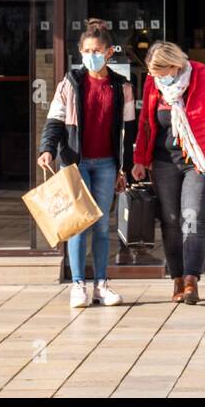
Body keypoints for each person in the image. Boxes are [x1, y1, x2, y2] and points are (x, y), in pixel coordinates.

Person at [38, 20, 135, 309]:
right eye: (86, 50)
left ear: (108, 53)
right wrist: (47, 150)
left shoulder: (122, 86)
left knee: (103, 226)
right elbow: (55, 120)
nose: (91, 54)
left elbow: (129, 130)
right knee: (79, 224)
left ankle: (101, 285)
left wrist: (125, 169)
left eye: (97, 50)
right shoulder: (71, 82)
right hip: (77, 163)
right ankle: (78, 284)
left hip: (106, 164)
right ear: (80, 52)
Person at [133, 41, 205, 305]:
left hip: (200, 160)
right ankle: (176, 278)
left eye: (161, 71)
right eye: (153, 73)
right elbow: (145, 121)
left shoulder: (204, 75)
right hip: (164, 161)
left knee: (193, 219)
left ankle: (191, 280)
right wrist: (140, 160)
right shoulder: (153, 83)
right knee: (170, 221)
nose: (157, 77)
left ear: (175, 65)